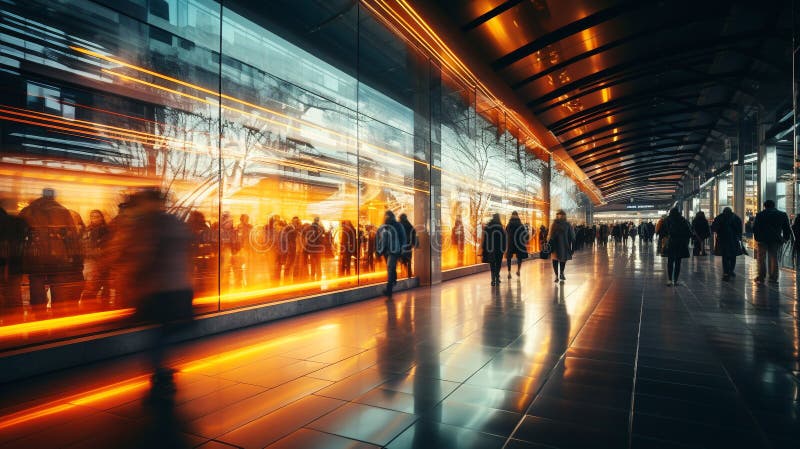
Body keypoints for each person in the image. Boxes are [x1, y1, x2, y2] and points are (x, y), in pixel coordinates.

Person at [116, 188, 193, 400]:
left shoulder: (149, 224)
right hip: (179, 286)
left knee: (157, 333)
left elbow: (142, 256)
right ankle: (163, 369)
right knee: (165, 331)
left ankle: (160, 371)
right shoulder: (175, 222)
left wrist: (133, 280)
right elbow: (187, 251)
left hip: (158, 288)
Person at [18, 188, 84, 307]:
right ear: (53, 197)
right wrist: (75, 257)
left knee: (36, 284)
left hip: (35, 255)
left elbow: (18, 234)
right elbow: (72, 237)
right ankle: (58, 313)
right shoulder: (63, 211)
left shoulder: (29, 210)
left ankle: (38, 314)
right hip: (59, 255)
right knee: (58, 285)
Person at [752, 200, 792, 284]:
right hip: (775, 239)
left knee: (761, 259)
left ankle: (761, 277)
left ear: (764, 206)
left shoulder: (760, 215)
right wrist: (785, 238)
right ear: (774, 205)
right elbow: (787, 228)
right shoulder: (782, 214)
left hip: (762, 239)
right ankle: (773, 278)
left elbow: (755, 228)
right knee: (774, 257)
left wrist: (757, 238)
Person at [79, 210, 111, 305]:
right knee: (92, 287)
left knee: (94, 287)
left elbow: (105, 247)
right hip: (88, 262)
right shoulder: (87, 230)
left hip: (99, 263)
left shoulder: (105, 230)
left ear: (101, 218)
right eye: (92, 216)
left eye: (97, 216)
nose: (94, 218)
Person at [376, 210, 406, 297]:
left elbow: (402, 238)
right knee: (391, 268)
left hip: (394, 251)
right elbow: (382, 239)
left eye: (387, 216)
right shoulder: (385, 226)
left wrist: (402, 249)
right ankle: (393, 279)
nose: (386, 217)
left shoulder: (396, 225)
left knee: (390, 268)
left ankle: (389, 290)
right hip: (388, 251)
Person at [661, 208, 692, 286]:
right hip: (680, 243)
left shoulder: (667, 220)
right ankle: (675, 280)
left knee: (670, 261)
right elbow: (689, 232)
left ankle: (670, 280)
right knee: (678, 262)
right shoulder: (683, 220)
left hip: (671, 243)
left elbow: (662, 232)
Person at [711, 207, 743, 281]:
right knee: (733, 256)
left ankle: (726, 272)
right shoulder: (736, 218)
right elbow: (739, 229)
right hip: (733, 240)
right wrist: (739, 237)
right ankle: (731, 270)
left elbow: (714, 228)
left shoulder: (719, 217)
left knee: (725, 256)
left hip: (722, 239)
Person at [549, 210, 575, 283]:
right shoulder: (567, 224)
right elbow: (573, 236)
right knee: (562, 260)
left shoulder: (554, 224)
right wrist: (573, 247)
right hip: (564, 245)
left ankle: (557, 275)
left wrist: (549, 243)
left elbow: (549, 236)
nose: (560, 216)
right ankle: (561, 273)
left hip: (555, 246)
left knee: (555, 260)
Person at [481, 213, 506, 286]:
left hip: (490, 248)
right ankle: (497, 277)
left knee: (492, 263)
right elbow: (504, 239)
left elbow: (485, 238)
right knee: (498, 263)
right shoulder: (501, 227)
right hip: (499, 248)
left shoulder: (488, 226)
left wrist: (484, 247)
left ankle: (493, 280)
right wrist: (504, 248)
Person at [505, 211, 528, 278]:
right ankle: (518, 270)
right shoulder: (521, 225)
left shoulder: (509, 225)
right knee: (519, 257)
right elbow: (525, 234)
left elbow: (506, 233)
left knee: (509, 257)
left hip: (511, 243)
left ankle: (509, 272)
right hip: (519, 243)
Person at [398, 213, 417, 278]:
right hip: (408, 246)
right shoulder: (409, 225)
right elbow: (413, 233)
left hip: (402, 246)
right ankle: (409, 274)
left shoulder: (400, 225)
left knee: (402, 259)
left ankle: (403, 273)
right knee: (408, 260)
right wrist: (413, 243)